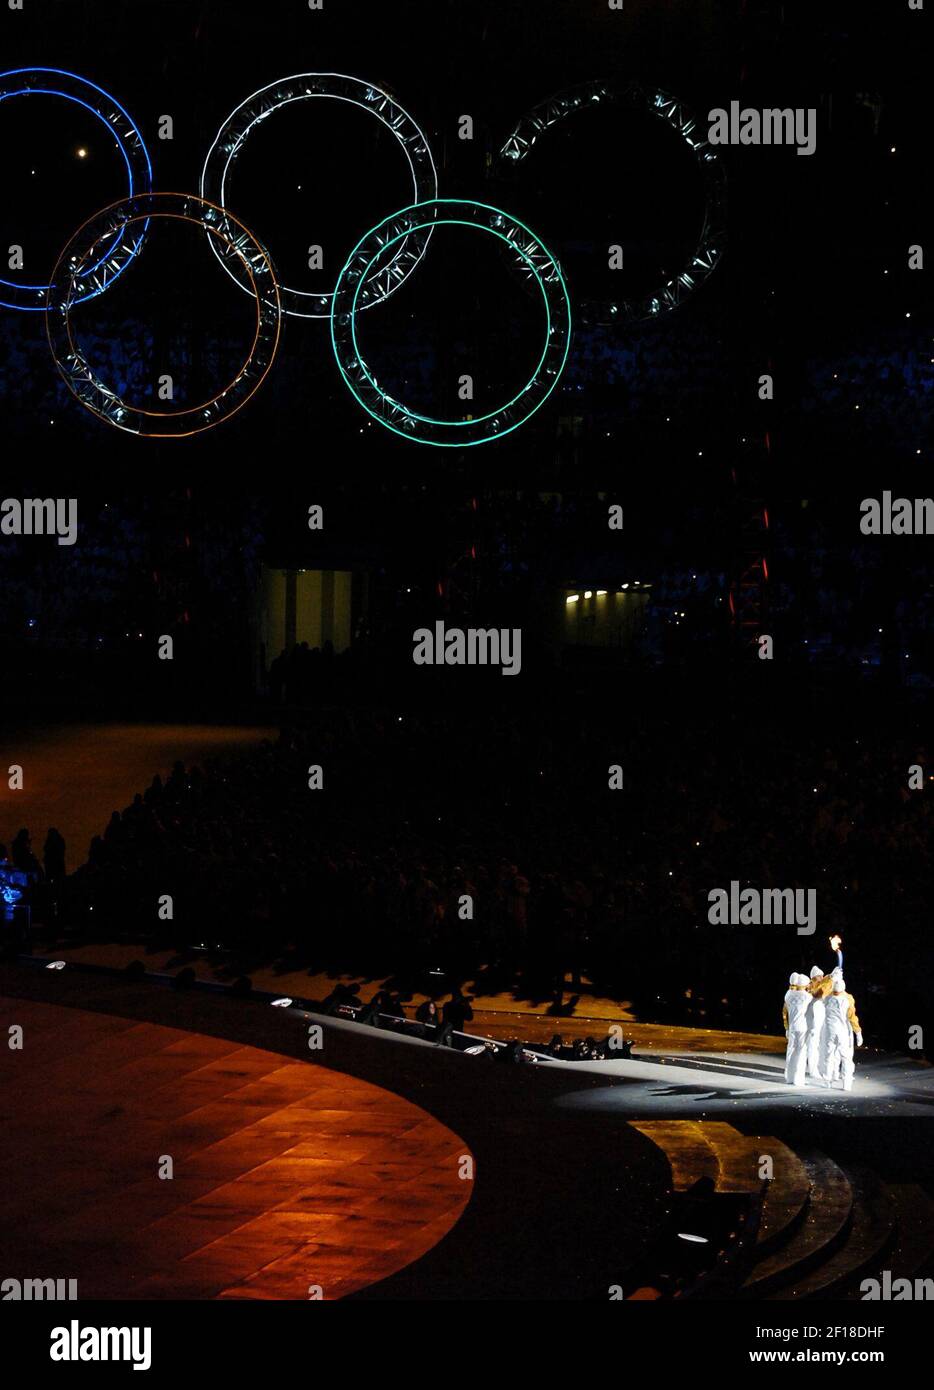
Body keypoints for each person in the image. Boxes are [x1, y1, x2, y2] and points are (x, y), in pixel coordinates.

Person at [821, 977, 863, 1092]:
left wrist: (830, 977)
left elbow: (823, 988)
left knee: (829, 1055)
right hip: (843, 1032)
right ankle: (846, 1083)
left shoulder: (826, 998)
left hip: (830, 1031)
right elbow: (852, 1017)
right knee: (846, 1057)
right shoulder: (847, 999)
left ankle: (827, 1081)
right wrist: (858, 1032)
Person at [782, 972, 811, 1087]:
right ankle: (798, 1079)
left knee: (791, 1052)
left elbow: (785, 1012)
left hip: (792, 1027)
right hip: (803, 1028)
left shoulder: (788, 995)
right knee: (801, 1053)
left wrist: (787, 1028)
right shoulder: (807, 997)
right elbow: (819, 995)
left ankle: (789, 1077)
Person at [805, 964, 828, 1079]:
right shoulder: (810, 986)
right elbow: (816, 992)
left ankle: (820, 1068)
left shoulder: (821, 986)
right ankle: (813, 1070)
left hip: (820, 1020)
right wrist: (830, 977)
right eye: (821, 976)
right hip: (812, 1021)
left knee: (820, 1045)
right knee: (813, 1045)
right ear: (815, 977)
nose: (822, 977)